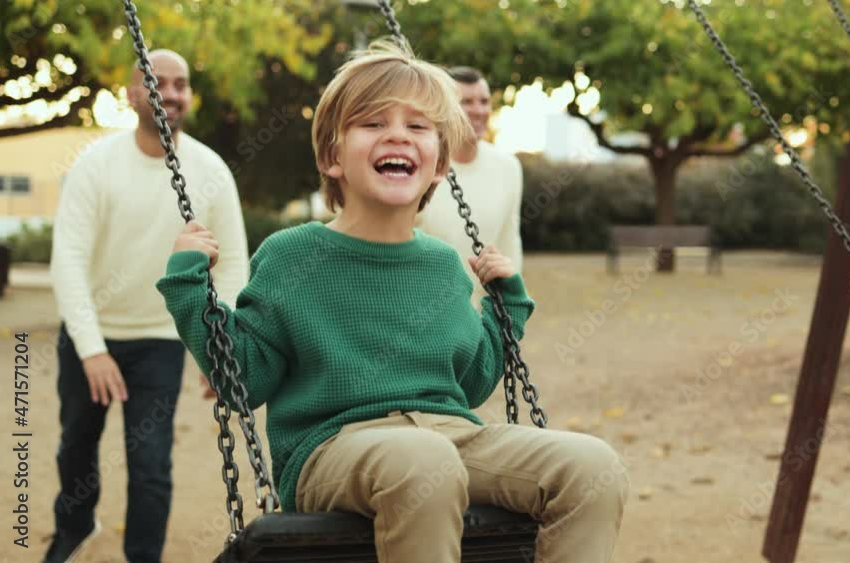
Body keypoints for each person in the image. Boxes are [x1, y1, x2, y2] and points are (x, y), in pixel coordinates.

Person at [156, 39, 628, 563]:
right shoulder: (293, 257)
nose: (398, 134)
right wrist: (189, 287)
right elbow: (243, 378)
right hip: (333, 449)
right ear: (333, 157)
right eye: (374, 123)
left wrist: (505, 307)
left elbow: (469, 381)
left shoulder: (442, 264)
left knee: (591, 465)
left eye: (418, 126)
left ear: (440, 164)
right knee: (422, 461)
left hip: (449, 437)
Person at [45, 50, 249, 563]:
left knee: (151, 464)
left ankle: (144, 557)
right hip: (90, 334)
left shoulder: (209, 170)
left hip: (159, 338)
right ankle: (74, 529)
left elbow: (231, 266)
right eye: (158, 82)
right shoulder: (95, 165)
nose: (171, 94)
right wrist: (92, 350)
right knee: (76, 448)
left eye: (180, 84)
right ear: (132, 93)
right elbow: (67, 259)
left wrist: (216, 345)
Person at [416, 66, 524, 307]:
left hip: (481, 321)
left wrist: (510, 305)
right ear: (444, 110)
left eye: (484, 101)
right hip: (424, 314)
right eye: (466, 102)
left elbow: (509, 245)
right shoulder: (421, 166)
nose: (479, 111)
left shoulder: (508, 167)